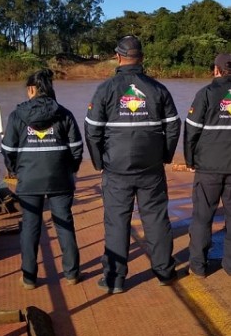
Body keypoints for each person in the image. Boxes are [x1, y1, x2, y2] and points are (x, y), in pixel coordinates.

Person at [84, 35, 180, 293]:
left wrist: (99, 162)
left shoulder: (105, 89)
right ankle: (164, 272)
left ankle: (114, 280)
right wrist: (165, 156)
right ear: (142, 58)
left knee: (117, 222)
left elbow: (92, 130)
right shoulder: (158, 89)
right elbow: (173, 127)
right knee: (156, 218)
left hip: (116, 168)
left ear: (117, 57)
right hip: (151, 167)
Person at [1, 69, 83, 290]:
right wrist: (71, 169)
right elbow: (76, 148)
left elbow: (8, 150)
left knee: (30, 226)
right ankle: (72, 274)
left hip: (29, 179)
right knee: (64, 223)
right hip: (60, 178)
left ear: (31, 89)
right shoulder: (64, 114)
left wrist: (16, 171)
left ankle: (29, 278)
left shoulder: (17, 116)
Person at [184, 53, 231, 278]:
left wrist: (190, 160)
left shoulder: (206, 94)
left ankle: (198, 267)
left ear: (216, 70)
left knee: (202, 217)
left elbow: (191, 130)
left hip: (208, 167)